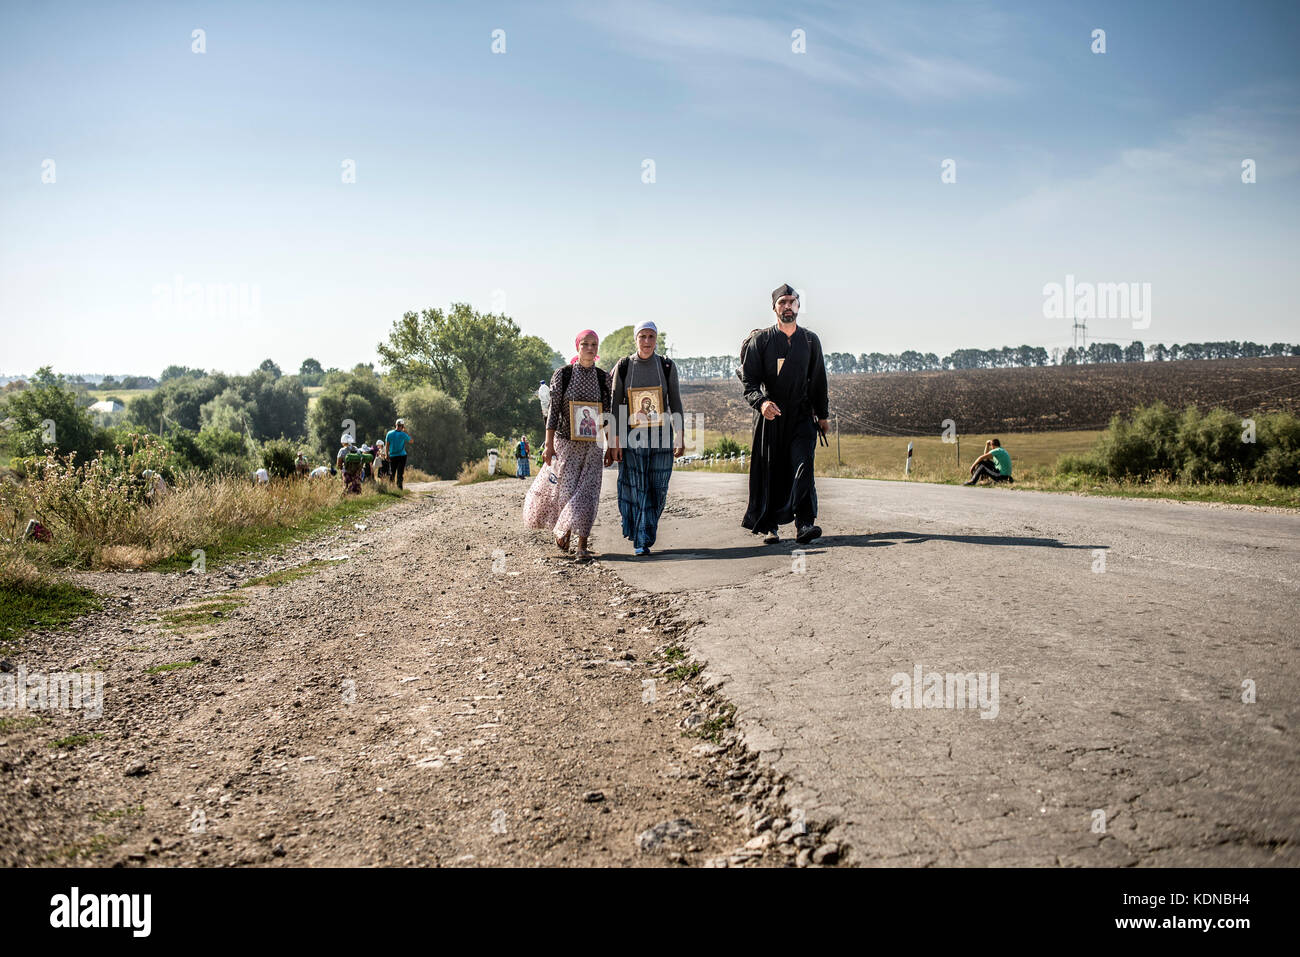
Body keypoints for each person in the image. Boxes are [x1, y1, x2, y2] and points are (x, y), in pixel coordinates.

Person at [741, 283, 829, 545]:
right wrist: (762, 403)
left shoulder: (810, 341)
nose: (787, 306)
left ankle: (805, 523)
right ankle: (771, 526)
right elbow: (750, 383)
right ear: (774, 307)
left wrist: (822, 415)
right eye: (783, 302)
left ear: (799, 306)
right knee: (772, 470)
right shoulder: (761, 341)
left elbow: (818, 381)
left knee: (803, 466)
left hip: (802, 415)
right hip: (771, 417)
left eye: (792, 301)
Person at [609, 320, 684, 556]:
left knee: (658, 487)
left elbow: (676, 403)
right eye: (643, 337)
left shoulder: (667, 366)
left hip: (662, 437)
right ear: (636, 339)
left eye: (651, 337)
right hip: (633, 439)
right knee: (637, 487)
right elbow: (614, 406)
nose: (647, 342)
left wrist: (680, 435)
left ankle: (646, 532)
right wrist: (614, 441)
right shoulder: (623, 366)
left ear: (656, 339)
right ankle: (641, 539)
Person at [542, 329, 611, 562]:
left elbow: (608, 414)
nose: (590, 348)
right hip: (566, 443)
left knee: (589, 495)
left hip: (593, 445)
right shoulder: (563, 375)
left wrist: (612, 445)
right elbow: (553, 412)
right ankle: (565, 534)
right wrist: (548, 444)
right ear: (577, 347)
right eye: (585, 344)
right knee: (567, 492)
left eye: (594, 344)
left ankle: (582, 545)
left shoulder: (603, 378)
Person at [385, 419, 412, 489]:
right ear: (402, 426)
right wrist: (406, 431)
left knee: (392, 472)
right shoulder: (403, 434)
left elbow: (387, 445)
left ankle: (391, 488)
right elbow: (411, 441)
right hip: (402, 456)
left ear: (396, 425)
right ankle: (399, 488)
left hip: (392, 456)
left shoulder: (389, 433)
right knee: (400, 473)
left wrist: (386, 454)